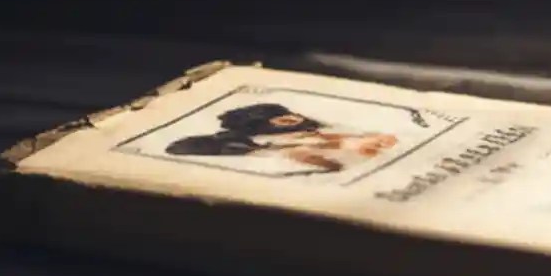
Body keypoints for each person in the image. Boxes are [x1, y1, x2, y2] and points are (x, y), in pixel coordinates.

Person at [165, 103, 398, 174]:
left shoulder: (313, 135)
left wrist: (365, 140)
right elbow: (331, 161)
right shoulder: (285, 150)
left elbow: (330, 139)